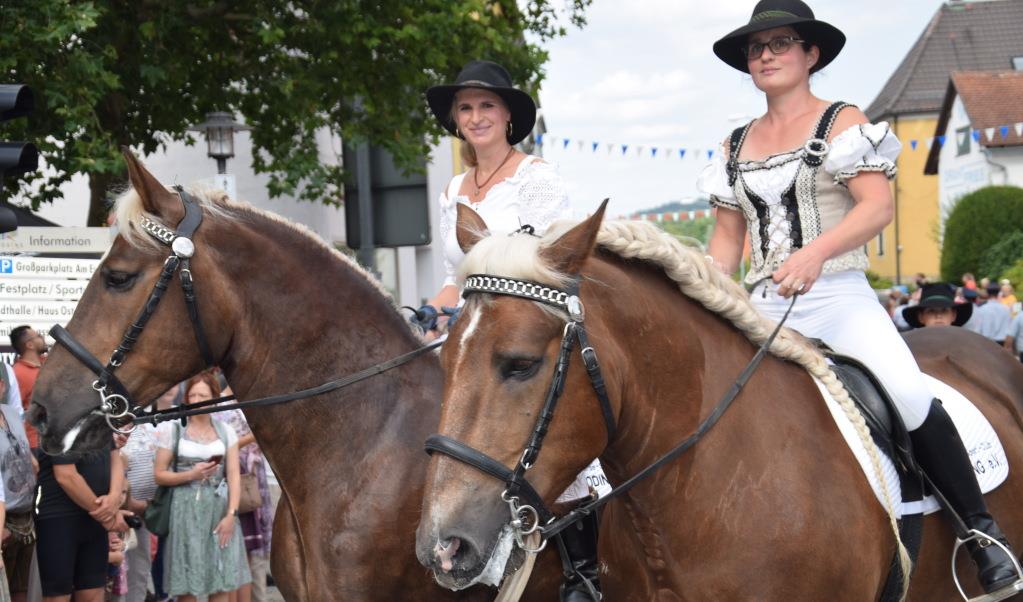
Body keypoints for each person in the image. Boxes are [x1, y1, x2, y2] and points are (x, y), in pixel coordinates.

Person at [697, 0, 1020, 595]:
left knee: (905, 391)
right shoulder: (735, 143)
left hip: (838, 296)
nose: (766, 56)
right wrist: (709, 297)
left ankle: (981, 533)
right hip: (762, 304)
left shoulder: (842, 122)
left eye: (781, 43)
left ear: (810, 53)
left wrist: (815, 254)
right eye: (756, 48)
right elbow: (726, 239)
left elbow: (878, 207)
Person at [424, 60, 608, 601]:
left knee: (554, 423)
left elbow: (552, 263)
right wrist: (423, 312)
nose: (476, 116)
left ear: (507, 117)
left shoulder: (537, 177)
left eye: (486, 106)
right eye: (466, 107)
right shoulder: (453, 187)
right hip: (473, 328)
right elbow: (448, 280)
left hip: (526, 327)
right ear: (456, 121)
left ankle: (582, 573)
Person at [154, 371, 250, 602]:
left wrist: (231, 514)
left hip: (219, 508)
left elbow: (234, 476)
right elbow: (159, 474)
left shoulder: (225, 432)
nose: (197, 400)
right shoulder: (174, 429)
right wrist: (191, 474)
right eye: (193, 395)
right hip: (184, 509)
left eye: (203, 395)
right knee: (187, 585)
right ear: (186, 398)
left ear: (214, 398)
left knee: (221, 581)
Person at [35, 431, 129, 602]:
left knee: (93, 591)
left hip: (95, 519)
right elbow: (66, 476)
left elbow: (115, 456)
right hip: (59, 518)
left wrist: (115, 497)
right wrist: (107, 515)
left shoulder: (99, 412)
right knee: (58, 596)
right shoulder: (60, 415)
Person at [213, 380, 271, 602]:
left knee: (255, 549)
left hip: (255, 478)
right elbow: (225, 445)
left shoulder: (248, 400)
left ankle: (258, 597)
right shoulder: (220, 406)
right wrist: (255, 435)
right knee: (240, 546)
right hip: (235, 478)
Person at [0, 375, 36, 602]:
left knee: (23, 589)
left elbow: (26, 453)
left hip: (27, 517)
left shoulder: (11, 413)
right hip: (4, 521)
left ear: (2, 386)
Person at [9, 327, 45, 450]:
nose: (43, 338)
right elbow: (13, 413)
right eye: (39, 336)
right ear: (30, 345)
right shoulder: (17, 373)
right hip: (33, 445)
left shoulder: (49, 364)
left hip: (55, 441)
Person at [902, 283, 973, 329]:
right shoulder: (908, 349)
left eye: (944, 310)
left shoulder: (966, 346)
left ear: (953, 315)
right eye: (931, 311)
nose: (938, 316)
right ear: (921, 317)